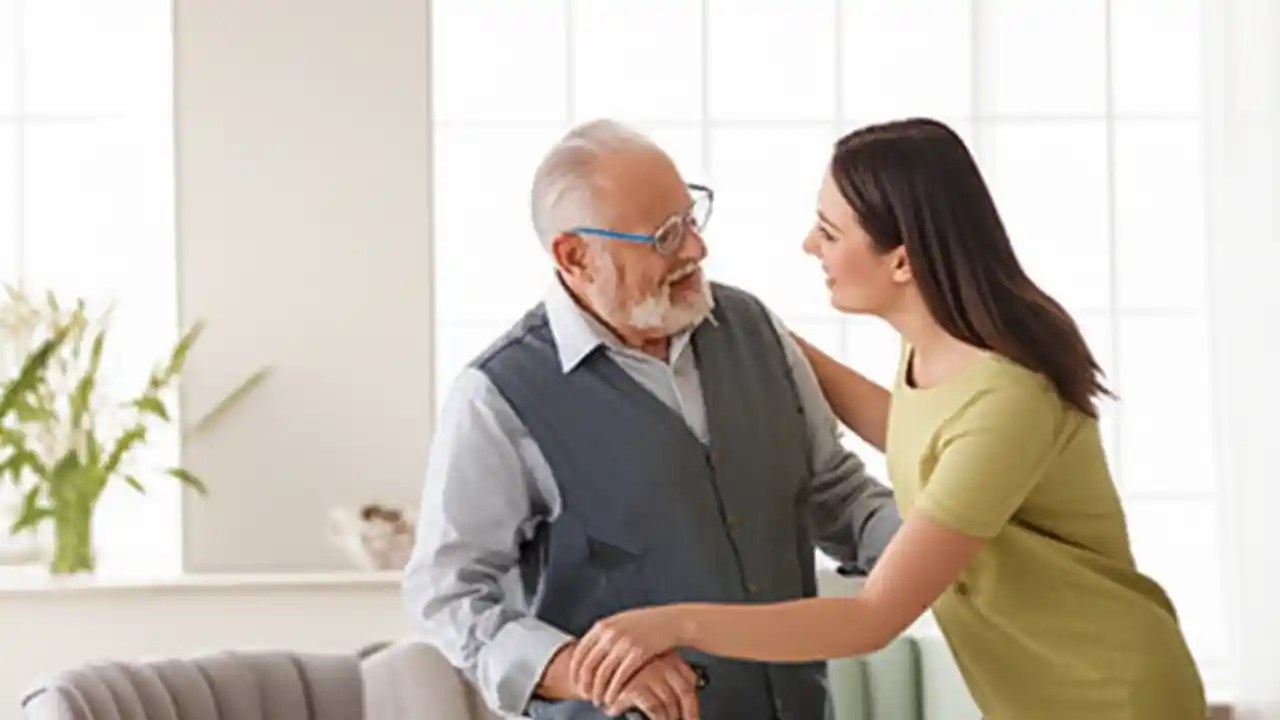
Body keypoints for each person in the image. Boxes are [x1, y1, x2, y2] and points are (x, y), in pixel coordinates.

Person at [569, 118, 1209, 720]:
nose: (808, 245)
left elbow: (873, 617)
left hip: (1108, 692)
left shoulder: (1011, 401)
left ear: (901, 260)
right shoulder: (941, 354)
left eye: (829, 231)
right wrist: (757, 333)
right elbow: (918, 436)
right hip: (1035, 691)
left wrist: (672, 623)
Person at [402, 119, 901, 720]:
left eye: (690, 219)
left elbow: (834, 494)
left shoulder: (755, 331)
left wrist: (955, 546)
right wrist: (585, 670)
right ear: (575, 255)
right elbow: (448, 595)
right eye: (664, 236)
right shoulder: (497, 399)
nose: (695, 250)